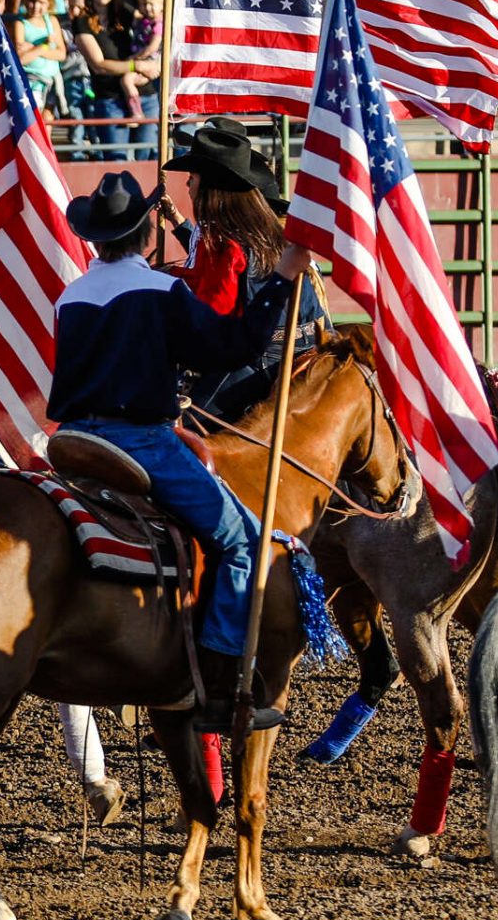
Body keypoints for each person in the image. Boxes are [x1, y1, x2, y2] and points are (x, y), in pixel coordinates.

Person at [49, 170, 306, 731]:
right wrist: (284, 277)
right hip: (140, 440)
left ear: (96, 239)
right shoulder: (164, 291)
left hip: (72, 439)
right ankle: (218, 683)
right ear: (145, 235)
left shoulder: (69, 297)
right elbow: (231, 347)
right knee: (243, 542)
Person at [157, 120, 327, 419]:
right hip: (305, 345)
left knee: (184, 421)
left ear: (210, 187)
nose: (187, 185)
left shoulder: (226, 241)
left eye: (192, 177)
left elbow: (214, 313)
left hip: (264, 358)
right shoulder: (265, 232)